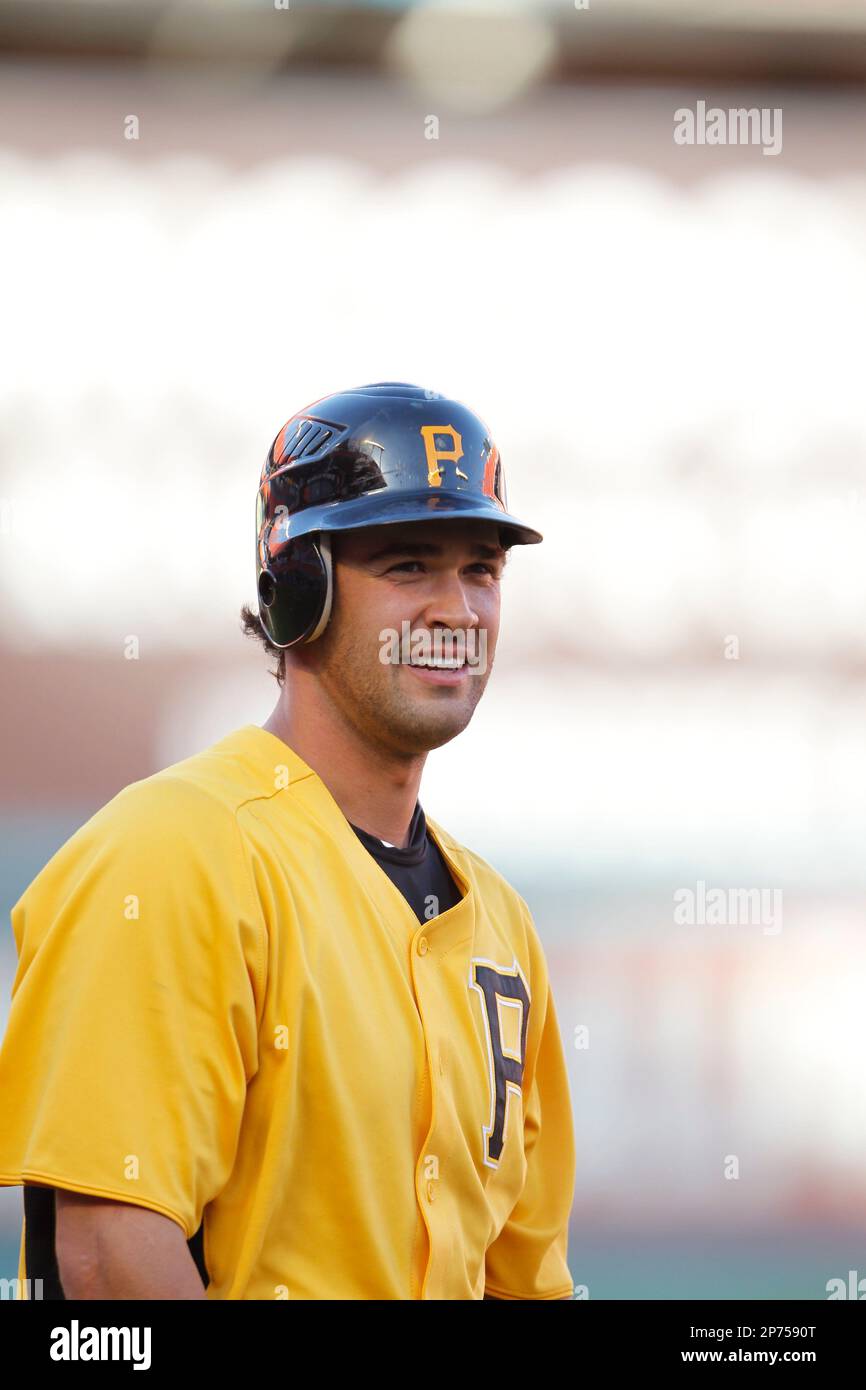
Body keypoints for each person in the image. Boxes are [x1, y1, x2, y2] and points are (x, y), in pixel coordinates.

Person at [0, 382, 576, 1300]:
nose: (457, 608)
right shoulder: (176, 851)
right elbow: (107, 1262)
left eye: (482, 569)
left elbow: (522, 1279)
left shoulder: (501, 924)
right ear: (297, 587)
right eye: (408, 565)